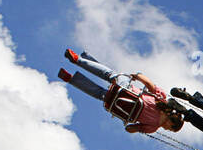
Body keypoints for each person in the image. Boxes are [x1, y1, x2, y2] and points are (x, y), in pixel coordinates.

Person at [57, 49, 185, 134]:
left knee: (110, 74)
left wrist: (137, 75)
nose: (167, 129)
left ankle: (79, 59)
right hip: (117, 104)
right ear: (171, 121)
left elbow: (149, 84)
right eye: (170, 129)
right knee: (99, 93)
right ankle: (71, 79)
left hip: (125, 89)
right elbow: (129, 129)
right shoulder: (152, 128)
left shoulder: (162, 100)